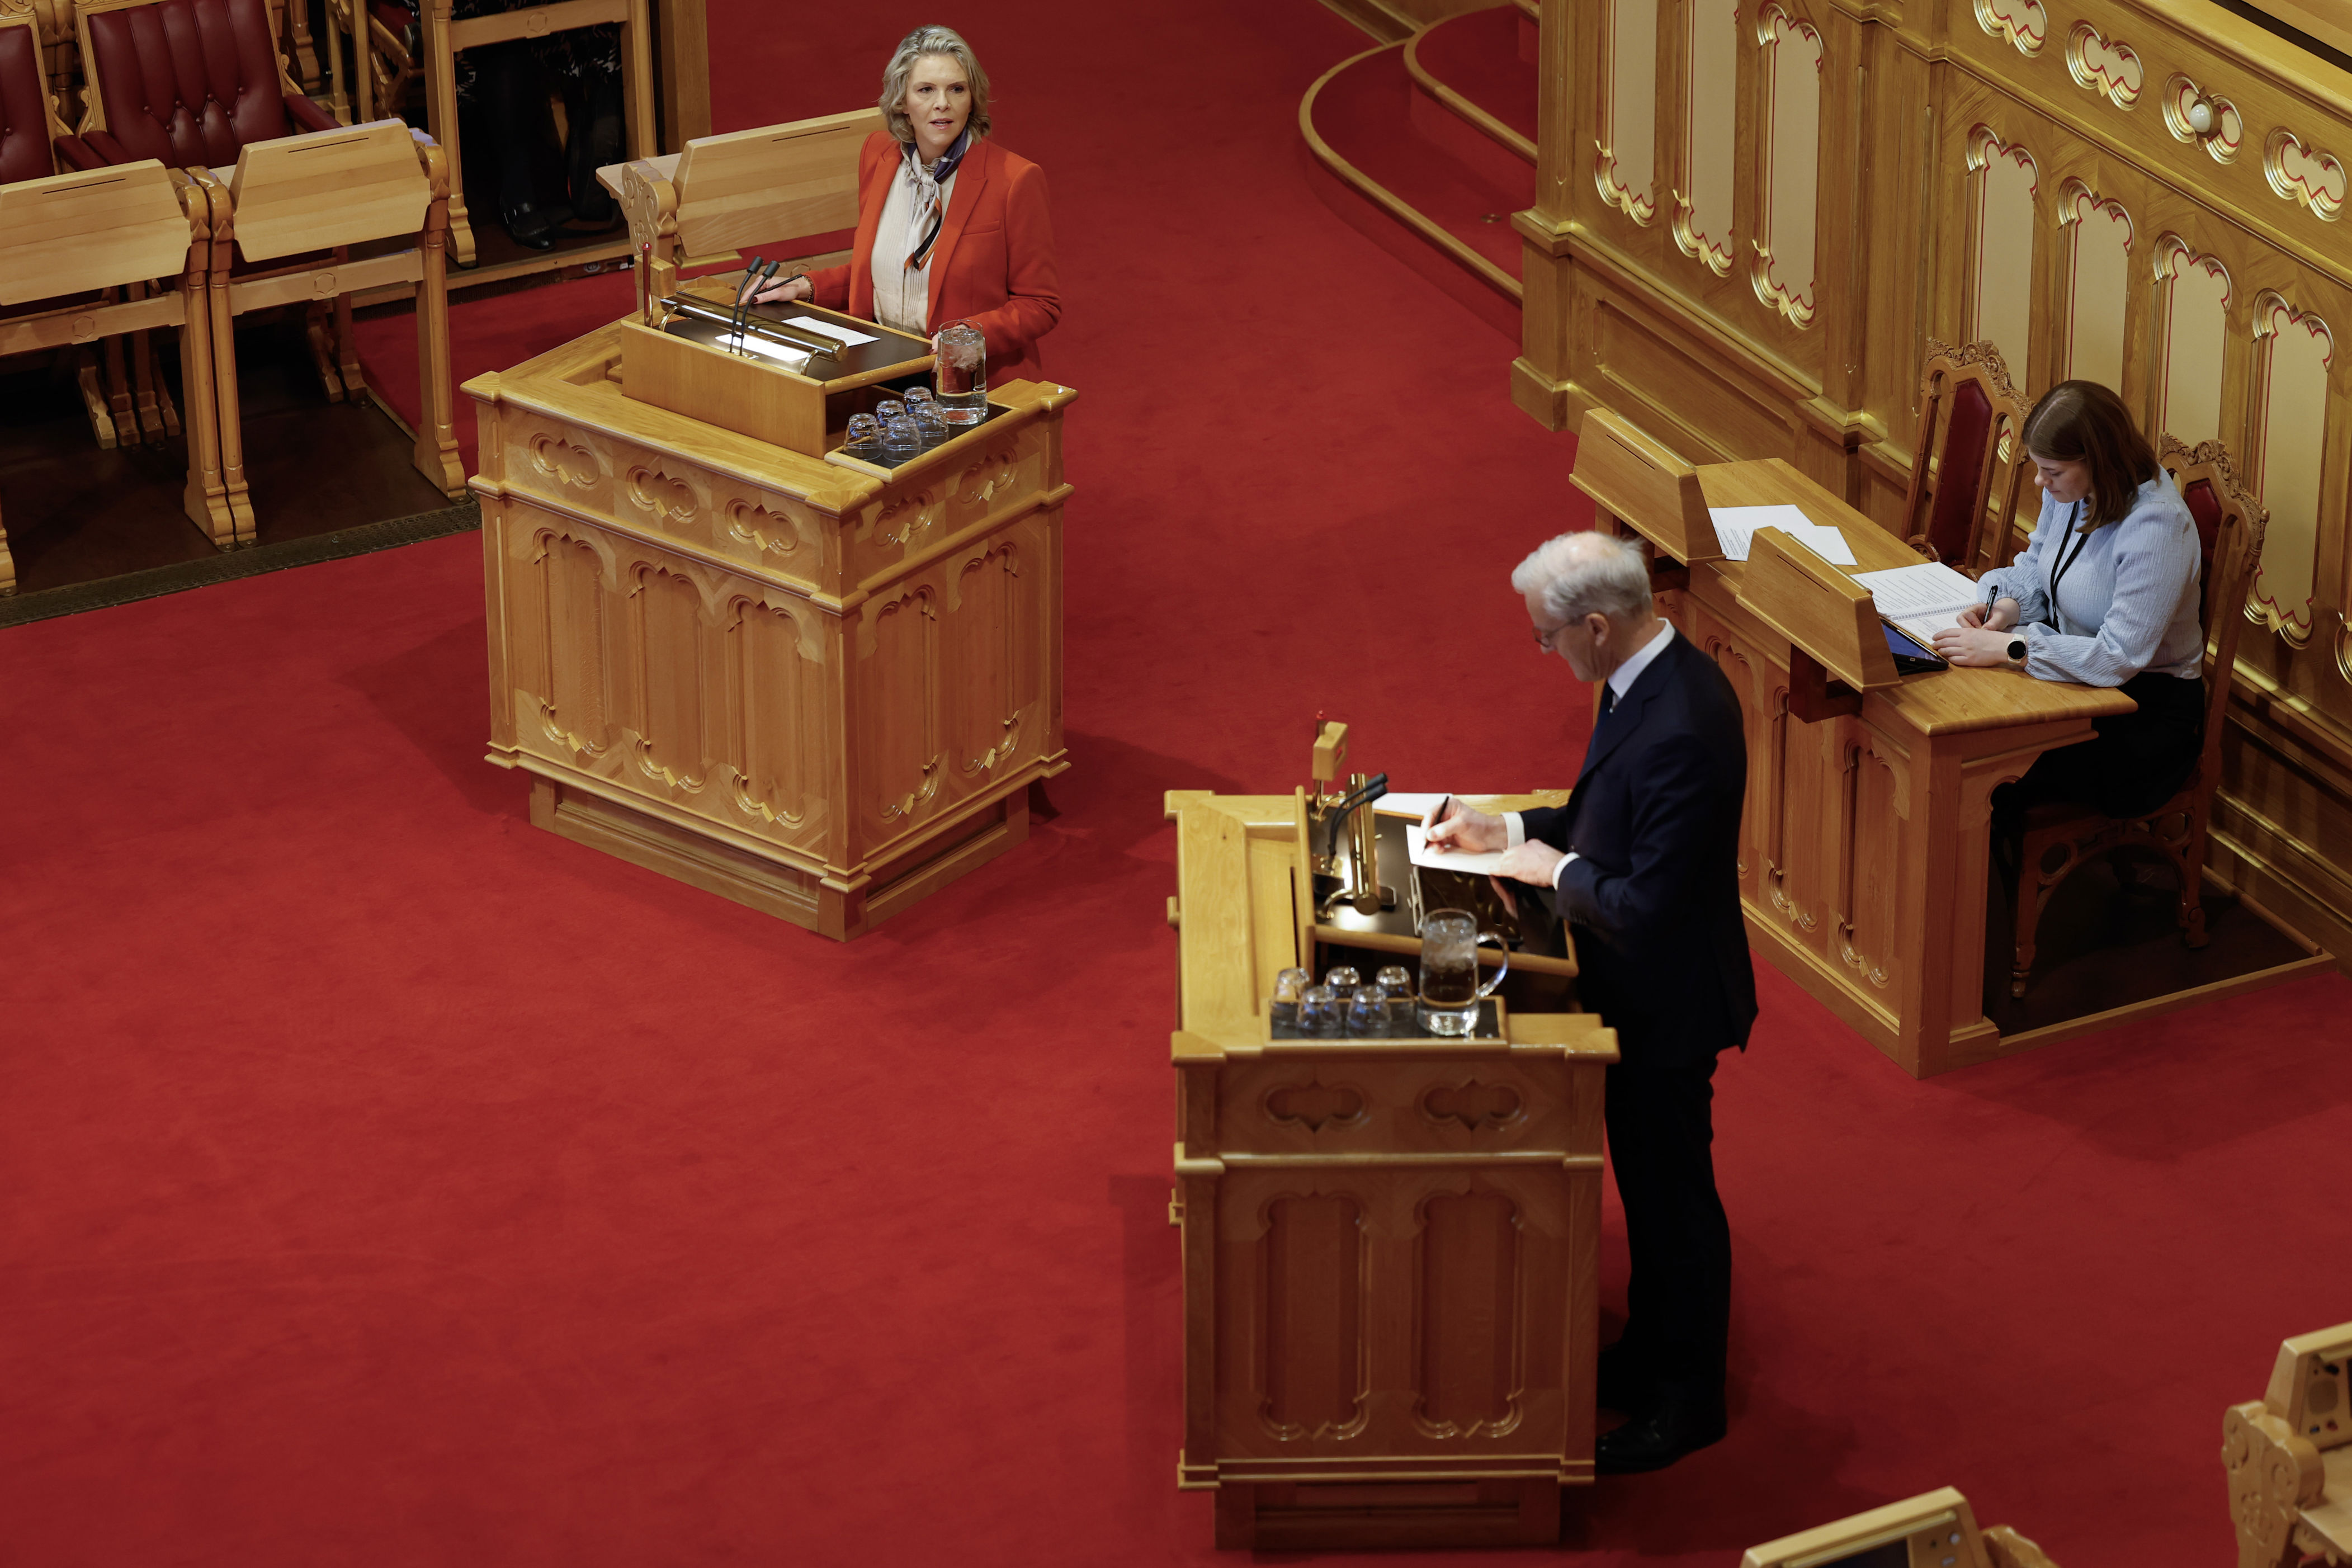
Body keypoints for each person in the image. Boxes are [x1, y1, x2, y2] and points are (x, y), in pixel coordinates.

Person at [1425, 530, 1756, 1473]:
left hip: (1670, 996)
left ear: (1599, 626)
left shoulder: (1686, 722)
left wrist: (1555, 866)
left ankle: (1688, 1399)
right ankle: (1653, 1351)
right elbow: (1605, 809)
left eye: (1547, 636)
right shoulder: (1639, 680)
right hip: (1631, 985)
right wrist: (1516, 828)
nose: (1545, 652)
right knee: (1649, 1188)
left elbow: (1646, 900)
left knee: (1673, 1198)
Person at [1931, 380, 2205, 822]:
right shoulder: (2073, 491)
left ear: (2097, 460)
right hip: (2072, 683)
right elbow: (2039, 566)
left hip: (2144, 715)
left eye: (2052, 472)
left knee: (1984, 776)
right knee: (1956, 743)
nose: (2041, 481)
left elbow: (2119, 657)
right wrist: (2008, 610)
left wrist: (2009, 648)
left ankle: (1971, 888)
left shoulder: (2158, 527)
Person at [751, 25, 1061, 385]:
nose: (942, 103)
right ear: (902, 100)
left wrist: (967, 339)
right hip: (877, 372)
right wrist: (804, 287)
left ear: (972, 99)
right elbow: (883, 270)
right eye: (926, 90)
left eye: (956, 89)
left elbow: (1041, 305)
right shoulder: (878, 157)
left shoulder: (1014, 179)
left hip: (967, 386)